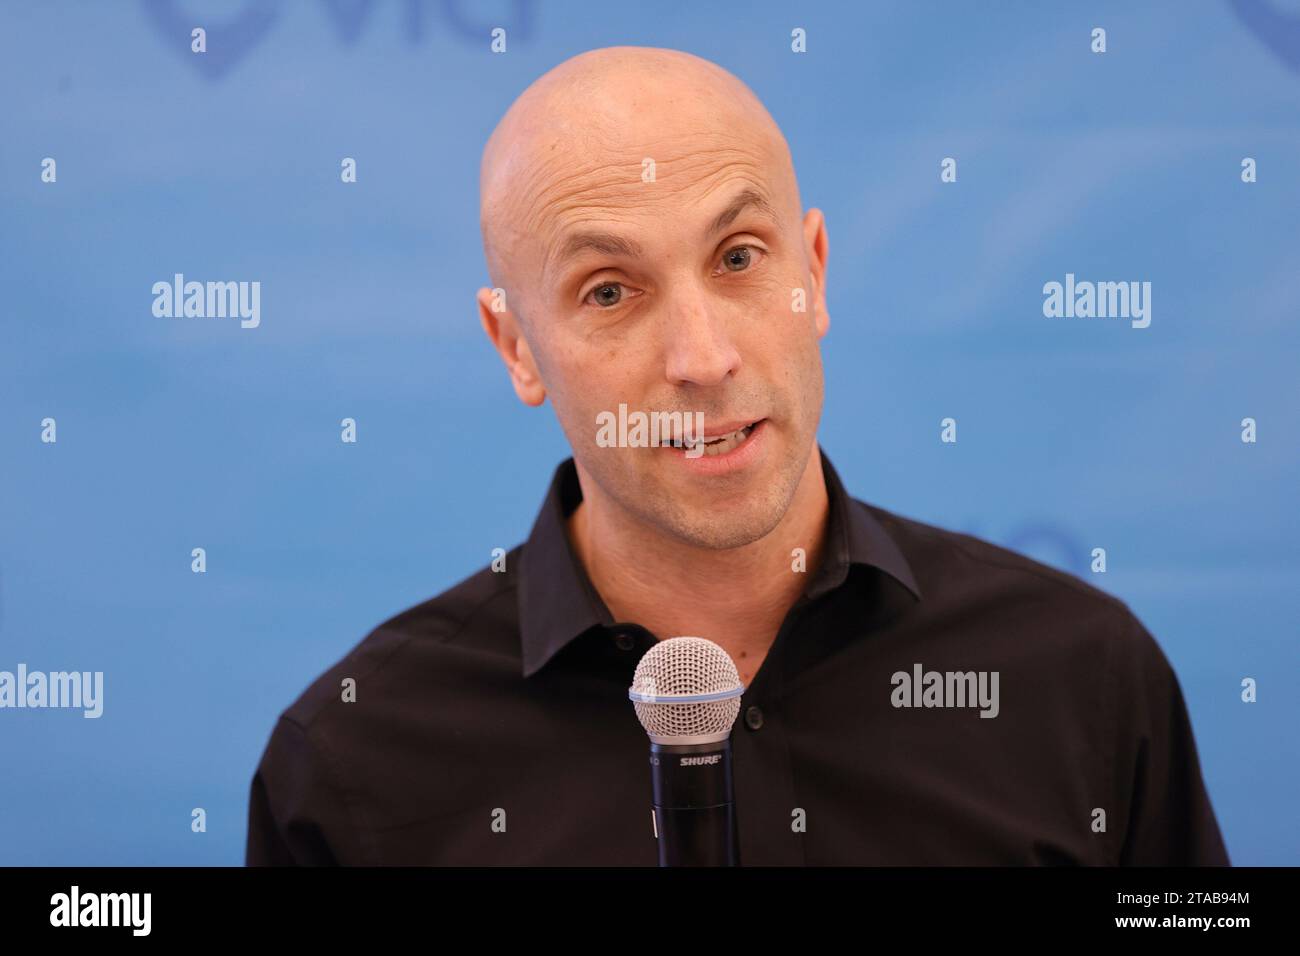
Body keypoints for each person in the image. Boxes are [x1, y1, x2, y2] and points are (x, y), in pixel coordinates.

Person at [246, 46, 1229, 866]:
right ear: (516, 348)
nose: (704, 358)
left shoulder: (1080, 675)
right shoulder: (352, 762)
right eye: (607, 291)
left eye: (738, 258)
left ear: (815, 270)